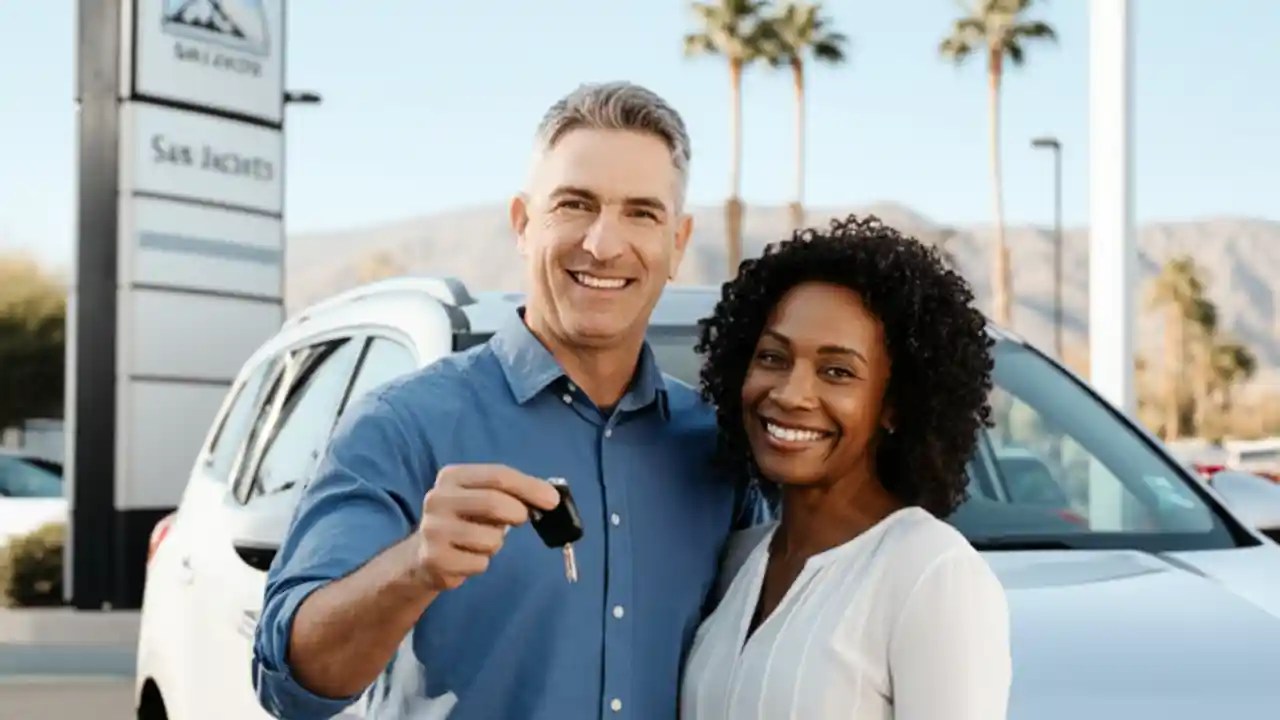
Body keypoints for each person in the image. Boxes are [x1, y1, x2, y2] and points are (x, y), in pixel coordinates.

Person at [251, 81, 758, 720]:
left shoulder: (719, 450)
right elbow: (291, 684)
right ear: (523, 223)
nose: (603, 244)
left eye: (641, 213)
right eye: (575, 204)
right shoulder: (403, 426)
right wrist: (416, 568)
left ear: (678, 243)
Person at [680, 214, 1012, 719]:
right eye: (772, 358)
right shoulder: (739, 559)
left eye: (837, 372)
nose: (790, 394)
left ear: (894, 404)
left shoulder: (933, 575)